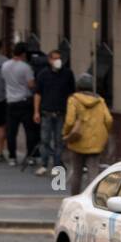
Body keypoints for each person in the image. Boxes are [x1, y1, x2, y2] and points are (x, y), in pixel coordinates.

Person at [62, 74, 113, 194]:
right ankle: (91, 198)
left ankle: (75, 197)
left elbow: (69, 121)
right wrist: (104, 132)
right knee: (93, 172)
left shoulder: (73, 100)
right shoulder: (100, 101)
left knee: (76, 172)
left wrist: (66, 133)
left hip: (78, 140)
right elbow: (109, 119)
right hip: (96, 141)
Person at [33, 48, 75, 177]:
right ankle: (45, 164)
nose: (58, 61)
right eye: (55, 58)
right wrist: (36, 112)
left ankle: (57, 165)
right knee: (45, 140)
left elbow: (72, 94)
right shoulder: (43, 74)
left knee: (59, 140)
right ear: (50, 60)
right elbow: (38, 94)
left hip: (61, 112)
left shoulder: (67, 74)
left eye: (59, 58)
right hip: (46, 112)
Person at [2, 42, 39, 168]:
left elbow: (4, 80)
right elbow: (31, 84)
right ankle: (30, 156)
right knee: (29, 130)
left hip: (11, 102)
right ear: (23, 54)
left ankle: (12, 157)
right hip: (25, 101)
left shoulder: (5, 65)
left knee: (11, 131)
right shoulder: (26, 67)